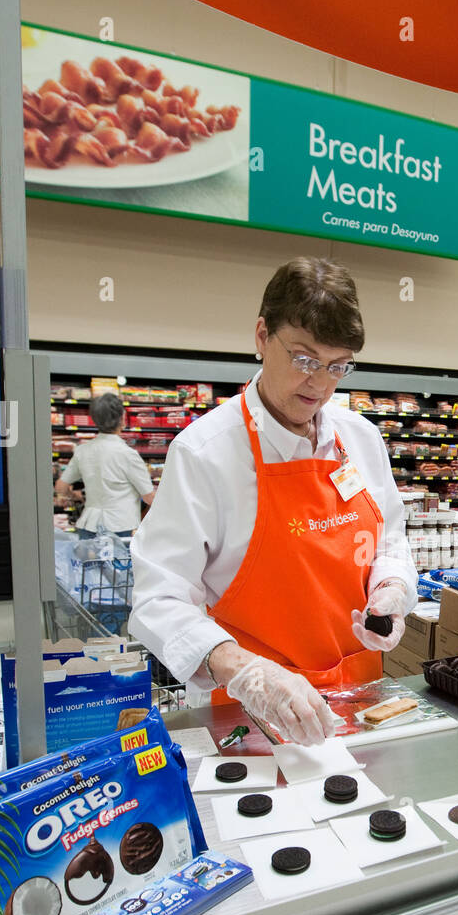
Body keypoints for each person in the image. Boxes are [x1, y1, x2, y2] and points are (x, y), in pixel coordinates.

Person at [129, 257, 417, 746]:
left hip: (365, 701)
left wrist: (392, 586)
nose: (321, 383)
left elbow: (390, 536)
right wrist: (245, 672)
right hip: (252, 714)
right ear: (262, 336)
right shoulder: (205, 453)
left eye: (337, 366)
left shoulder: (361, 438)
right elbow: (159, 597)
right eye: (304, 359)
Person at [55, 392, 155, 539]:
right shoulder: (128, 454)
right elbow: (149, 497)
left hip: (89, 526)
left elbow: (60, 487)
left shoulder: (82, 450)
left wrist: (74, 495)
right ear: (122, 418)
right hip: (121, 527)